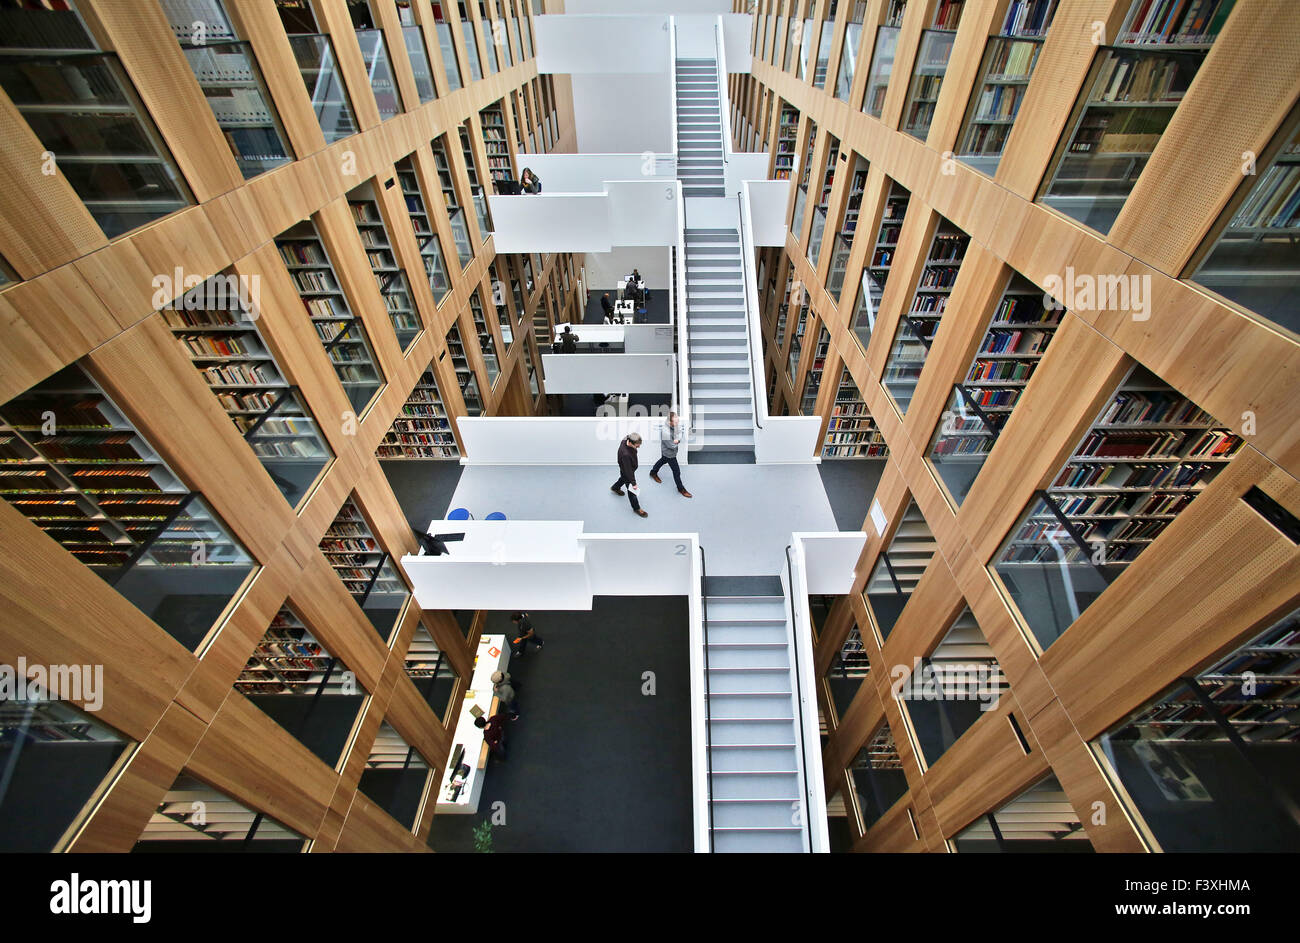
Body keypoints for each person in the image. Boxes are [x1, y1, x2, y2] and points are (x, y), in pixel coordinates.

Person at [650, 411, 692, 498]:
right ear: (670, 422)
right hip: (670, 454)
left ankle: (653, 472)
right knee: (676, 471)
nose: (678, 424)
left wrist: (677, 439)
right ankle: (681, 489)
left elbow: (680, 432)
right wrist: (678, 440)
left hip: (668, 452)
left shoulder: (675, 424)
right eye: (676, 422)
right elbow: (672, 446)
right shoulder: (665, 432)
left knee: (662, 460)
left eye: (678, 421)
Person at [610, 432, 648, 517]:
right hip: (627, 470)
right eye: (637, 445)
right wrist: (633, 483)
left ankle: (615, 487)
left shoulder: (626, 438)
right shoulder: (625, 454)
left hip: (625, 468)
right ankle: (637, 508)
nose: (639, 447)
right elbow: (628, 471)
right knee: (632, 491)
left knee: (623, 478)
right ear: (630, 443)